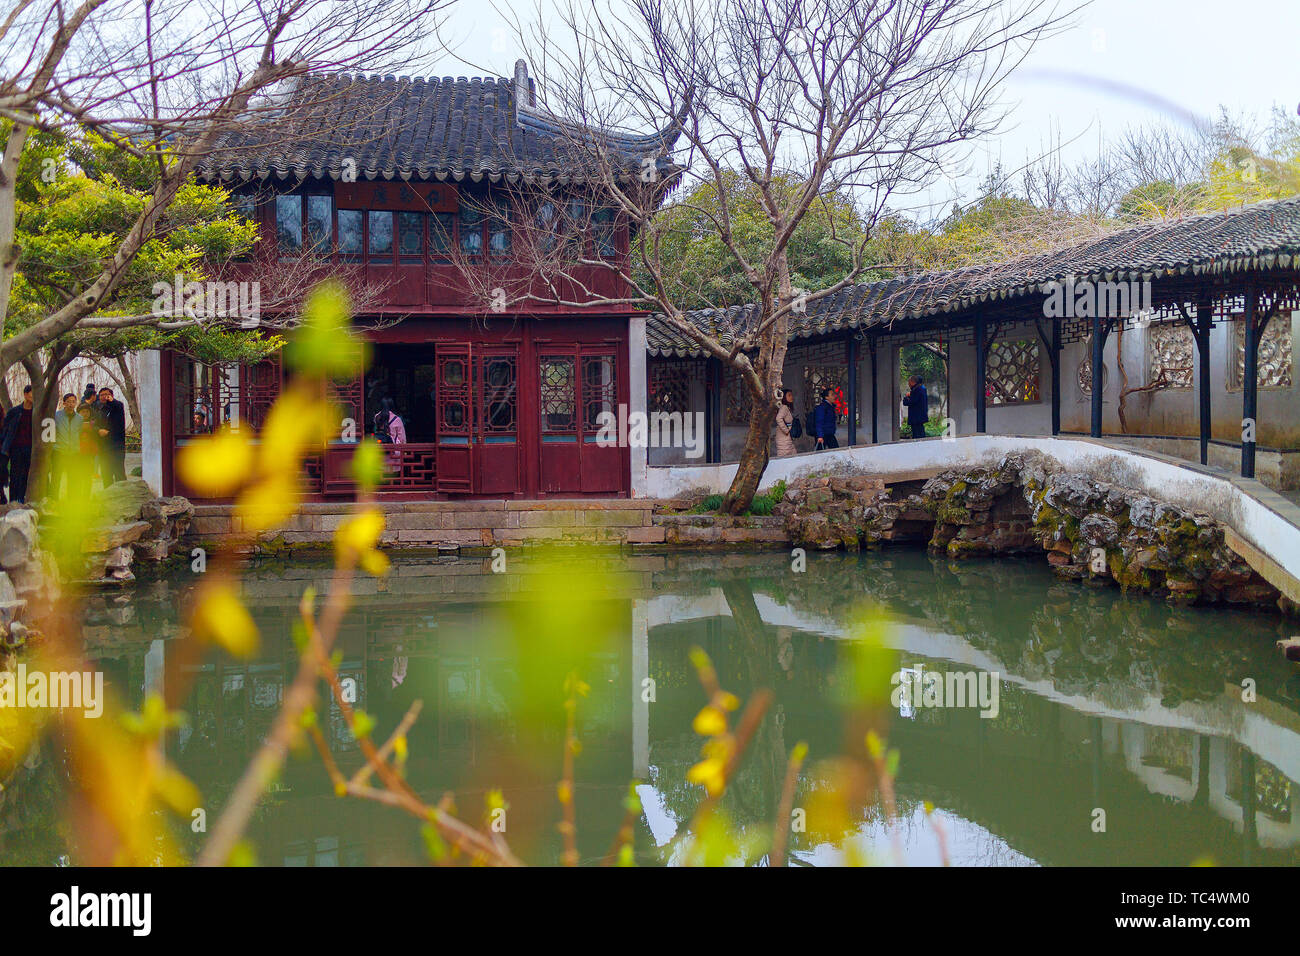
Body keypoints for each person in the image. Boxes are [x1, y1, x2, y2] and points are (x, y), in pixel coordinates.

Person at [1, 385, 35, 502]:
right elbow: (5, 430)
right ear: (25, 394)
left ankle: (23, 499)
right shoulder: (14, 412)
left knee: (27, 475)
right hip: (16, 448)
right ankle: (14, 500)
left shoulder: (37, 413)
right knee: (15, 475)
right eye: (32, 393)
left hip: (30, 448)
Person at [94, 386, 127, 486]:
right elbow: (93, 424)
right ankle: (108, 495)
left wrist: (112, 401)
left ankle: (122, 494)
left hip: (117, 446)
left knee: (119, 472)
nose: (104, 397)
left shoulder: (117, 406)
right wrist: (98, 430)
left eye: (106, 394)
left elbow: (117, 407)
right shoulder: (98, 409)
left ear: (111, 396)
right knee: (106, 473)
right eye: (101, 395)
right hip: (103, 447)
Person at [50, 392, 79, 498]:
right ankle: (53, 500)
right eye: (69, 402)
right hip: (59, 451)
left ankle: (71, 502)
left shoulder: (79, 418)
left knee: (72, 478)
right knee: (56, 478)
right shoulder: (56, 416)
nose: (71, 404)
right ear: (64, 403)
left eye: (73, 401)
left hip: (73, 453)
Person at [902, 374, 929, 439]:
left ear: (912, 382)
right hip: (920, 415)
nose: (908, 384)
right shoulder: (922, 388)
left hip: (916, 416)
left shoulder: (916, 390)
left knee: (917, 434)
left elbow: (910, 402)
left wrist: (906, 397)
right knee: (920, 432)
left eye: (909, 382)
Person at [774, 388, 797, 457]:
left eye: (791, 395)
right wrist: (786, 430)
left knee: (793, 455)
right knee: (784, 457)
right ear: (784, 397)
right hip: (783, 438)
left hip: (787, 438)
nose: (791, 397)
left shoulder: (786, 407)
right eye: (789, 395)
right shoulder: (784, 407)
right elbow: (778, 418)